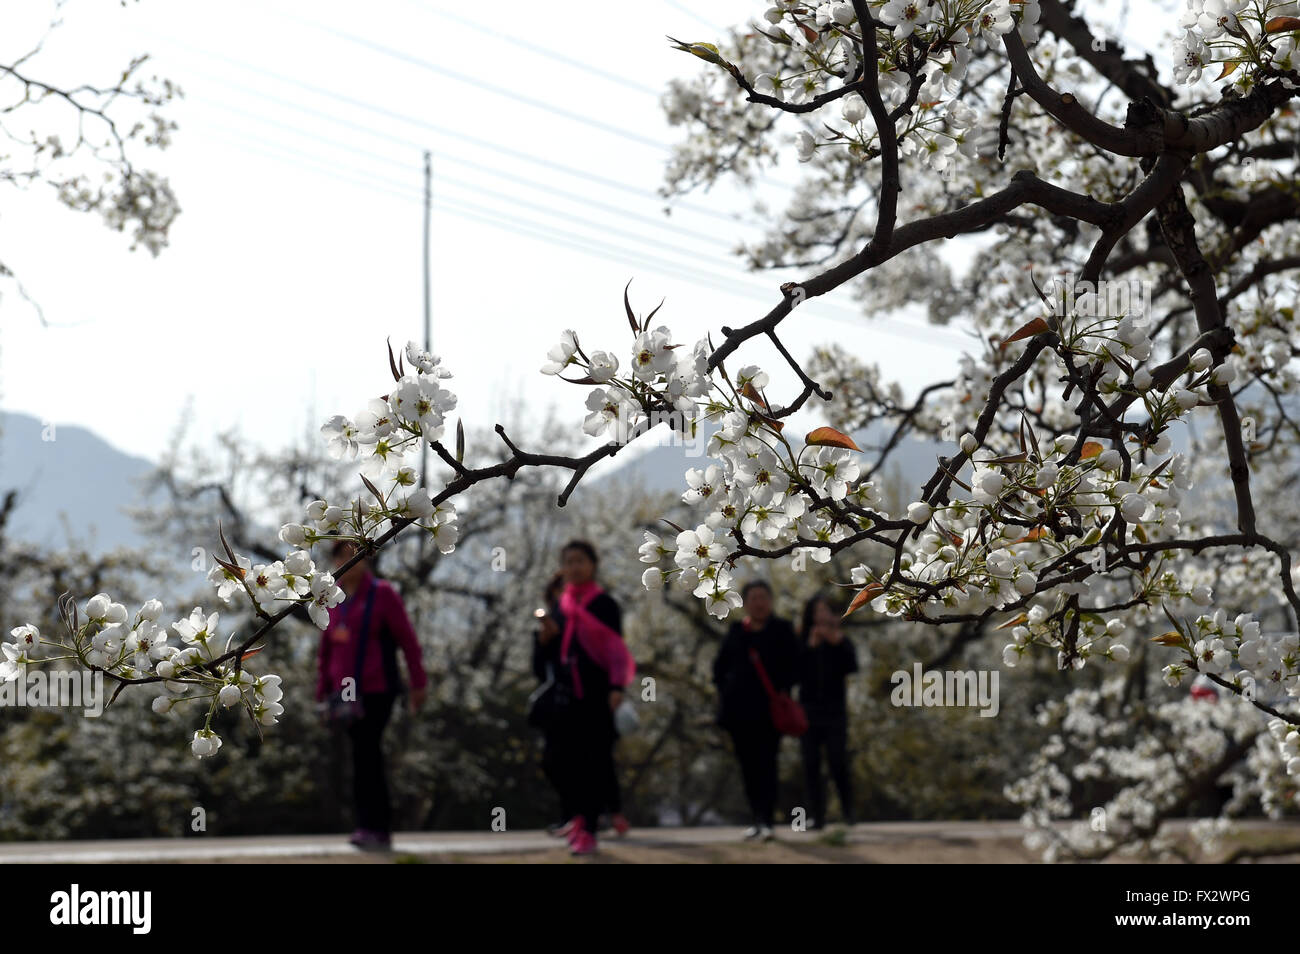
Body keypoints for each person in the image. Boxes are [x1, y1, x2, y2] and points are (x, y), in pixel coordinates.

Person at [315, 538, 428, 850]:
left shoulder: (383, 594)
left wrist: (418, 682)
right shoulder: (333, 599)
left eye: (355, 555)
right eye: (341, 556)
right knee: (360, 757)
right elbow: (325, 650)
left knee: (368, 754)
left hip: (377, 690)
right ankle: (368, 825)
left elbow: (407, 640)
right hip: (344, 695)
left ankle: (375, 827)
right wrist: (321, 692)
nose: (348, 561)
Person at [531, 539, 634, 856]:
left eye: (580, 560)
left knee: (592, 764)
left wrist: (617, 687)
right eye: (568, 561)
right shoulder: (557, 610)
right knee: (555, 761)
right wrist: (545, 641)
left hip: (597, 697)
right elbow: (540, 666)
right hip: (563, 699)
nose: (574, 567)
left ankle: (588, 830)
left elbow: (616, 651)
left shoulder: (605, 606)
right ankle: (577, 816)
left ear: (592, 565)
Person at [712, 580, 800, 841]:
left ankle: (768, 820)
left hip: (770, 711)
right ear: (745, 602)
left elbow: (796, 665)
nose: (758, 602)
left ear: (770, 601)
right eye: (753, 598)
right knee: (747, 767)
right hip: (739, 713)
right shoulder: (737, 630)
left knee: (768, 764)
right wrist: (726, 690)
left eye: (763, 597)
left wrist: (784, 689)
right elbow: (719, 667)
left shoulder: (783, 630)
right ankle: (756, 818)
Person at [796, 593, 858, 829]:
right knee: (811, 764)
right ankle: (816, 817)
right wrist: (810, 648)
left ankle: (848, 811)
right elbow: (795, 672)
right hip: (808, 712)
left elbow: (852, 666)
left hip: (835, 713)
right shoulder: (802, 639)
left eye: (825, 610)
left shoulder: (842, 640)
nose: (820, 615)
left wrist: (836, 642)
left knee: (837, 761)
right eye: (816, 611)